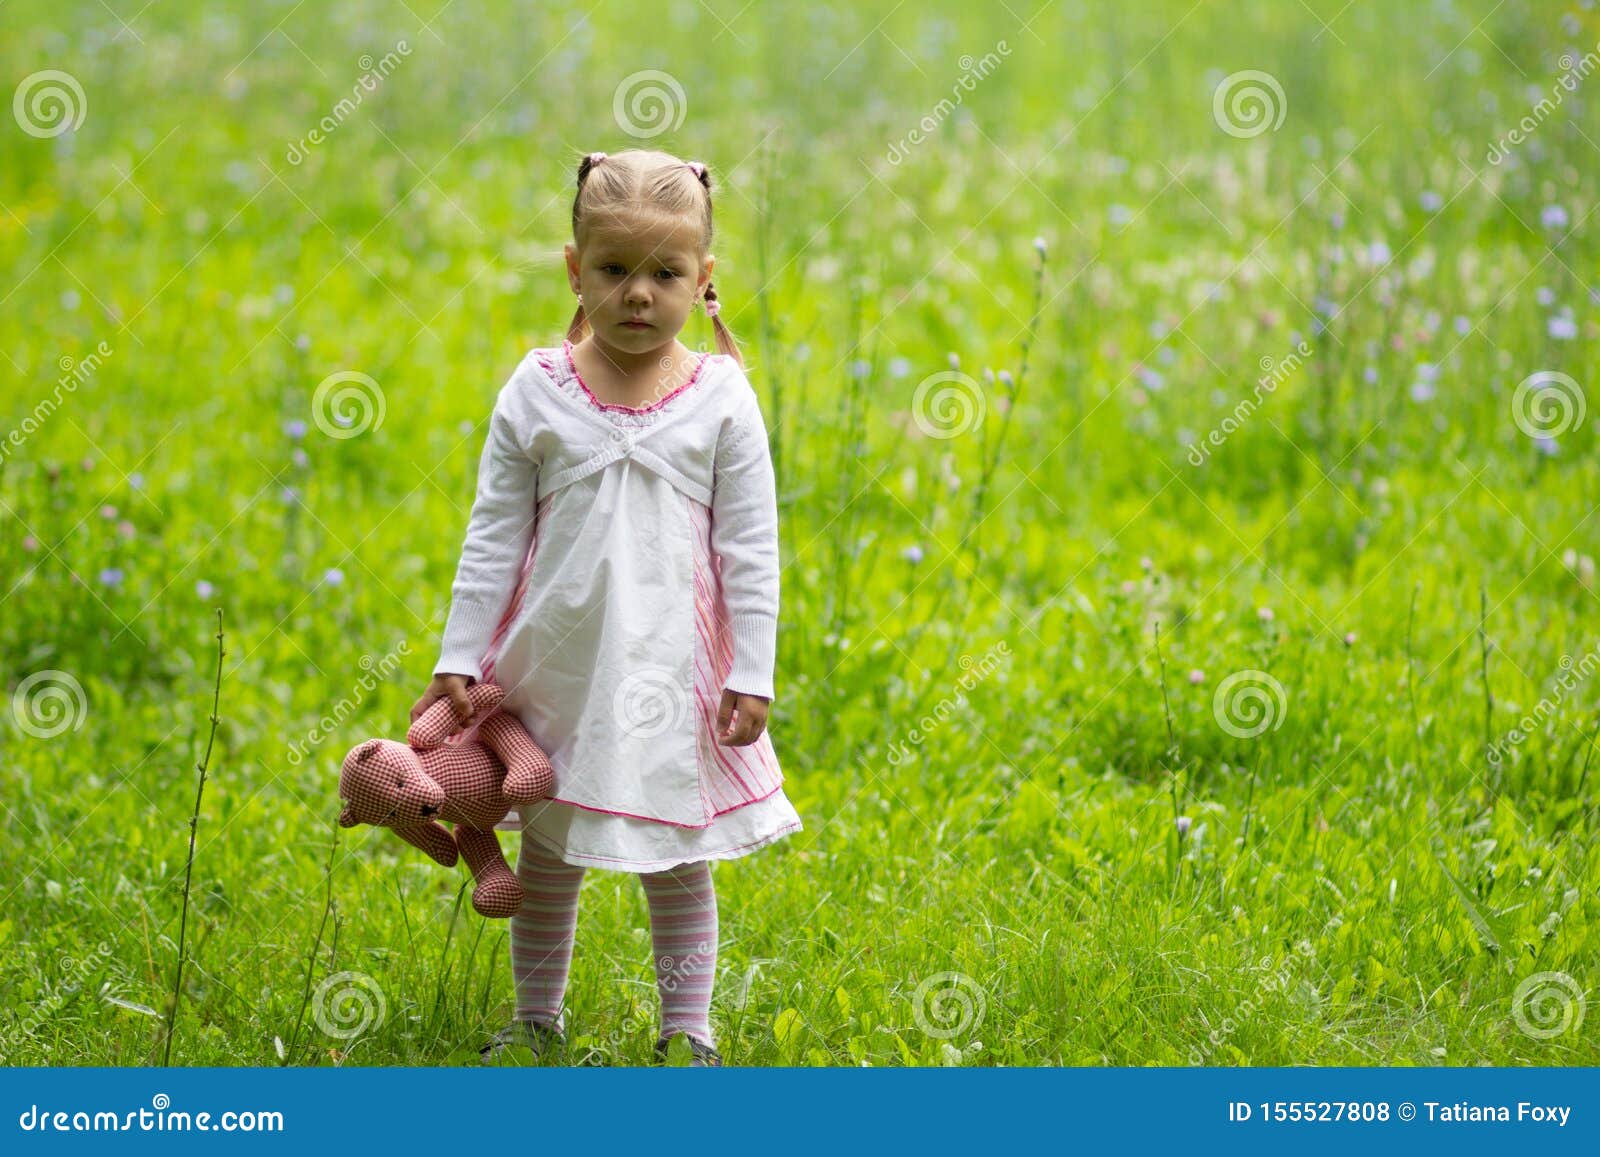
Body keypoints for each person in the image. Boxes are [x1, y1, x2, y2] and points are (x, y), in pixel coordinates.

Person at [410, 148, 801, 1067]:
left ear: (702, 280)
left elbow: (752, 548)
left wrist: (752, 668)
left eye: (664, 274)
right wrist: (462, 651)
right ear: (573, 268)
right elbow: (493, 533)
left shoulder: (721, 400)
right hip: (556, 667)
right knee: (550, 846)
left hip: (676, 673)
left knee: (677, 850)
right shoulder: (537, 390)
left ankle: (688, 1028)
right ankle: (535, 1017)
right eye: (614, 269)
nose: (637, 294)